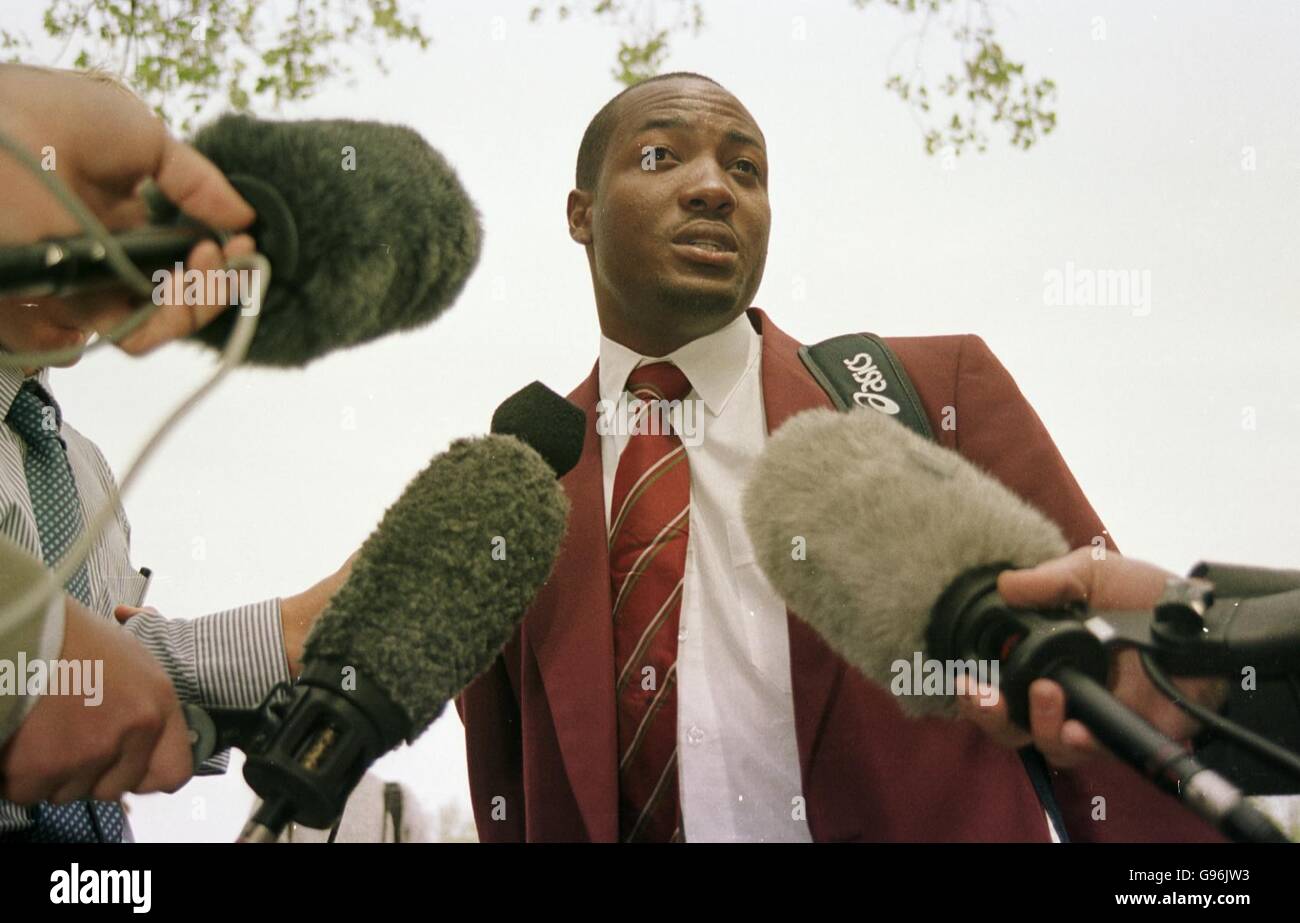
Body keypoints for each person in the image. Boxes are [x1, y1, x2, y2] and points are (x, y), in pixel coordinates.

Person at [456, 71, 1223, 842]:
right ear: (580, 214)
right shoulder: (521, 482)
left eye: (745, 169)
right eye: (661, 157)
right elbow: (506, 785)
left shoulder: (928, 394)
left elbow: (1117, 709)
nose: (714, 188)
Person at [0, 63, 351, 842]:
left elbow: (106, 667)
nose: (101, 254)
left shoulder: (86, 470)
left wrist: (290, 640)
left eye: (128, 228)